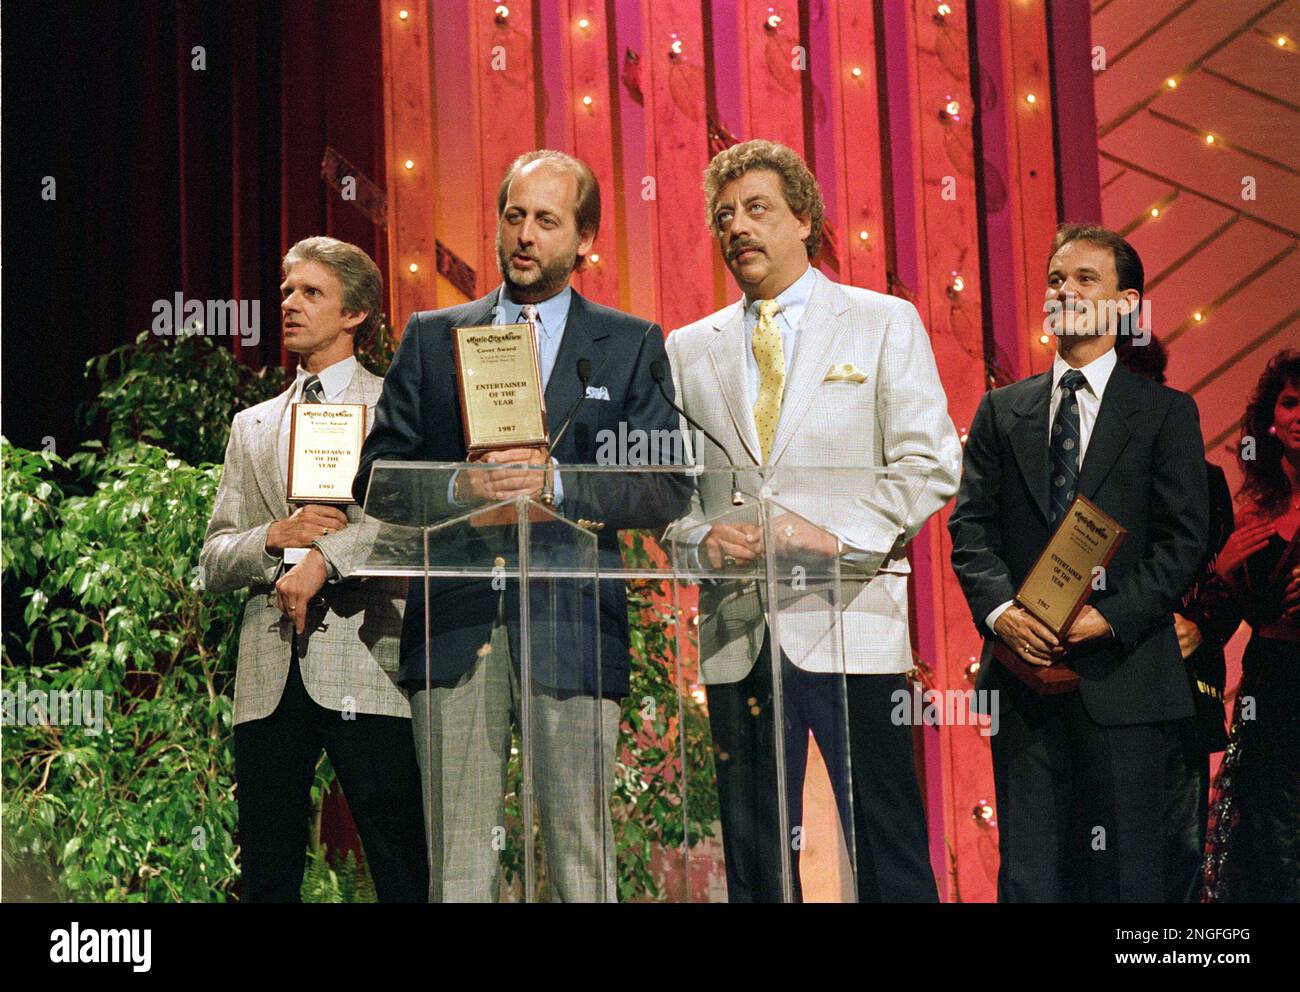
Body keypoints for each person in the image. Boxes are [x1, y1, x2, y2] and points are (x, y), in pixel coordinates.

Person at [353, 150, 688, 902]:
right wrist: (461, 485)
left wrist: (560, 484)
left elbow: (666, 485)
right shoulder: (434, 333)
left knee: (579, 857)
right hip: (455, 624)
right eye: (514, 216)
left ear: (584, 240)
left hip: (572, 625)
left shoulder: (631, 344)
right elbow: (375, 478)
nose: (526, 235)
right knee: (461, 865)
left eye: (547, 219)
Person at [665, 139, 961, 902]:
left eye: (757, 209)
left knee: (889, 846)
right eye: (724, 216)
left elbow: (929, 461)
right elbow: (670, 497)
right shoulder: (688, 348)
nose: (737, 227)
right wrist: (702, 537)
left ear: (806, 220)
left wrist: (840, 536)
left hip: (850, 617)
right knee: (756, 857)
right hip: (740, 633)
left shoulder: (883, 322)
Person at [948, 223, 1209, 902]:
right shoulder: (1003, 411)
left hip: (1126, 679)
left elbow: (1183, 542)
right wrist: (1004, 614)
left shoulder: (1164, 414)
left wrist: (1109, 618)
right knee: (1031, 878)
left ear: (1125, 304)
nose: (1064, 290)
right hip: (1025, 679)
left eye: (1084, 279)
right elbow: (970, 528)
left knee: (1127, 878)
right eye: (1056, 279)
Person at [200, 236, 427, 902]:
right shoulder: (254, 425)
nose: (289, 305)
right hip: (270, 671)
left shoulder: (397, 411)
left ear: (354, 312)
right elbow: (214, 557)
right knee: (267, 874)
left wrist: (327, 557)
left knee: (402, 865)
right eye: (285, 292)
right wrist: (275, 537)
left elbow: (409, 533)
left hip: (369, 661)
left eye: (310, 292)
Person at [1117, 334, 1237, 901]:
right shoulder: (1072, 474)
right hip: (1098, 677)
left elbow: (1224, 576)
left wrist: (1201, 624)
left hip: (1180, 684)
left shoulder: (1204, 478)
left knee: (1181, 843)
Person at [1203, 348, 1300, 903]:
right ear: (1270, 418)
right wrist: (1222, 569)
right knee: (1266, 851)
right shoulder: (1251, 521)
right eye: (1290, 402)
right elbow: (1211, 629)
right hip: (1266, 702)